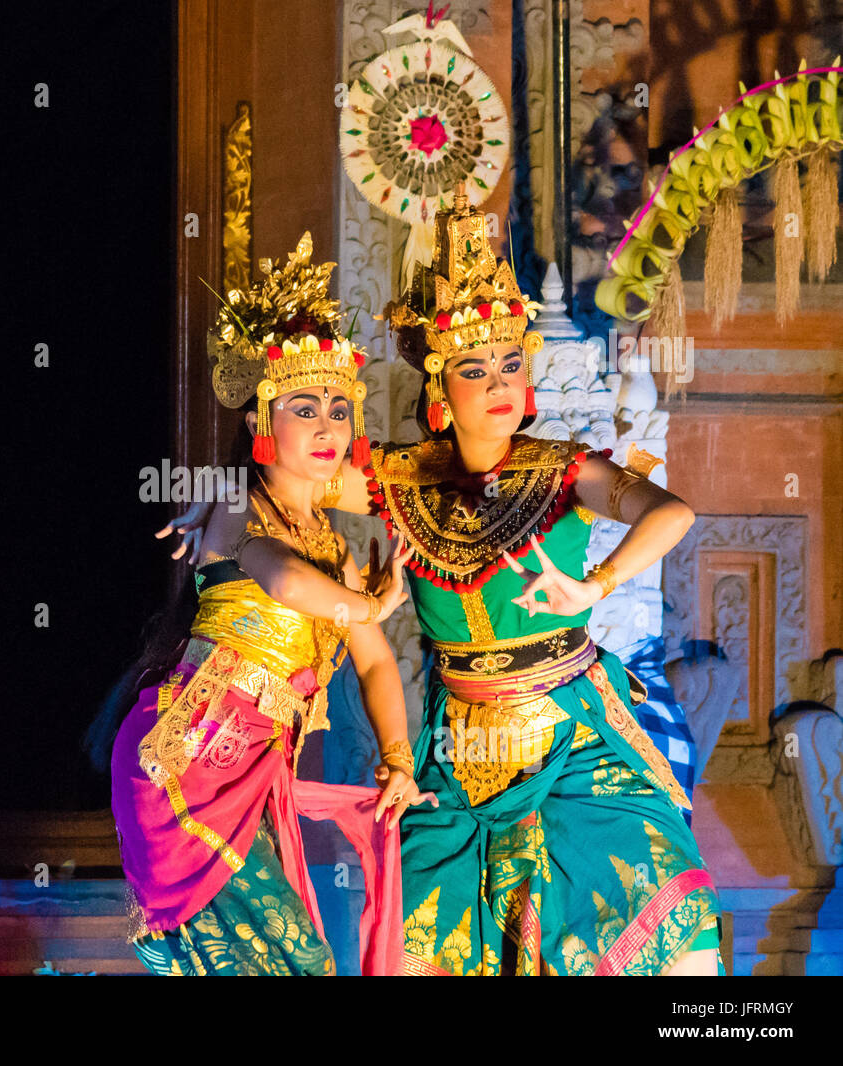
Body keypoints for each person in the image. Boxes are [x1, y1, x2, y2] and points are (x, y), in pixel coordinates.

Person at [161, 188, 723, 975]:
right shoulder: (398, 478)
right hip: (454, 749)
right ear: (439, 385)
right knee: (428, 938)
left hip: (571, 733)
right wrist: (219, 500)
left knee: (624, 913)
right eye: (473, 366)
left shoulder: (565, 469)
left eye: (509, 363)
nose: (498, 382)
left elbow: (671, 512)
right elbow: (292, 479)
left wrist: (595, 586)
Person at [110, 233, 436, 976]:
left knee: (282, 964)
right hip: (186, 758)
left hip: (252, 767)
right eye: (304, 407)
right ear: (262, 422)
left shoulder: (338, 552)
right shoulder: (231, 505)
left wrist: (397, 760)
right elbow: (280, 580)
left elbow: (380, 667)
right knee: (296, 962)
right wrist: (363, 608)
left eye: (337, 408)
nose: (327, 426)